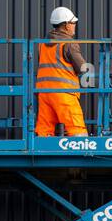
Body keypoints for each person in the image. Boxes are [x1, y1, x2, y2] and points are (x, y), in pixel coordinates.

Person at [35, 7, 88, 137]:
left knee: (44, 129)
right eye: (73, 23)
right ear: (65, 25)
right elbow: (82, 67)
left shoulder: (42, 44)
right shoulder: (68, 44)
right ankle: (82, 156)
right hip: (64, 93)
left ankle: (39, 154)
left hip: (44, 93)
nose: (74, 25)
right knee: (76, 129)